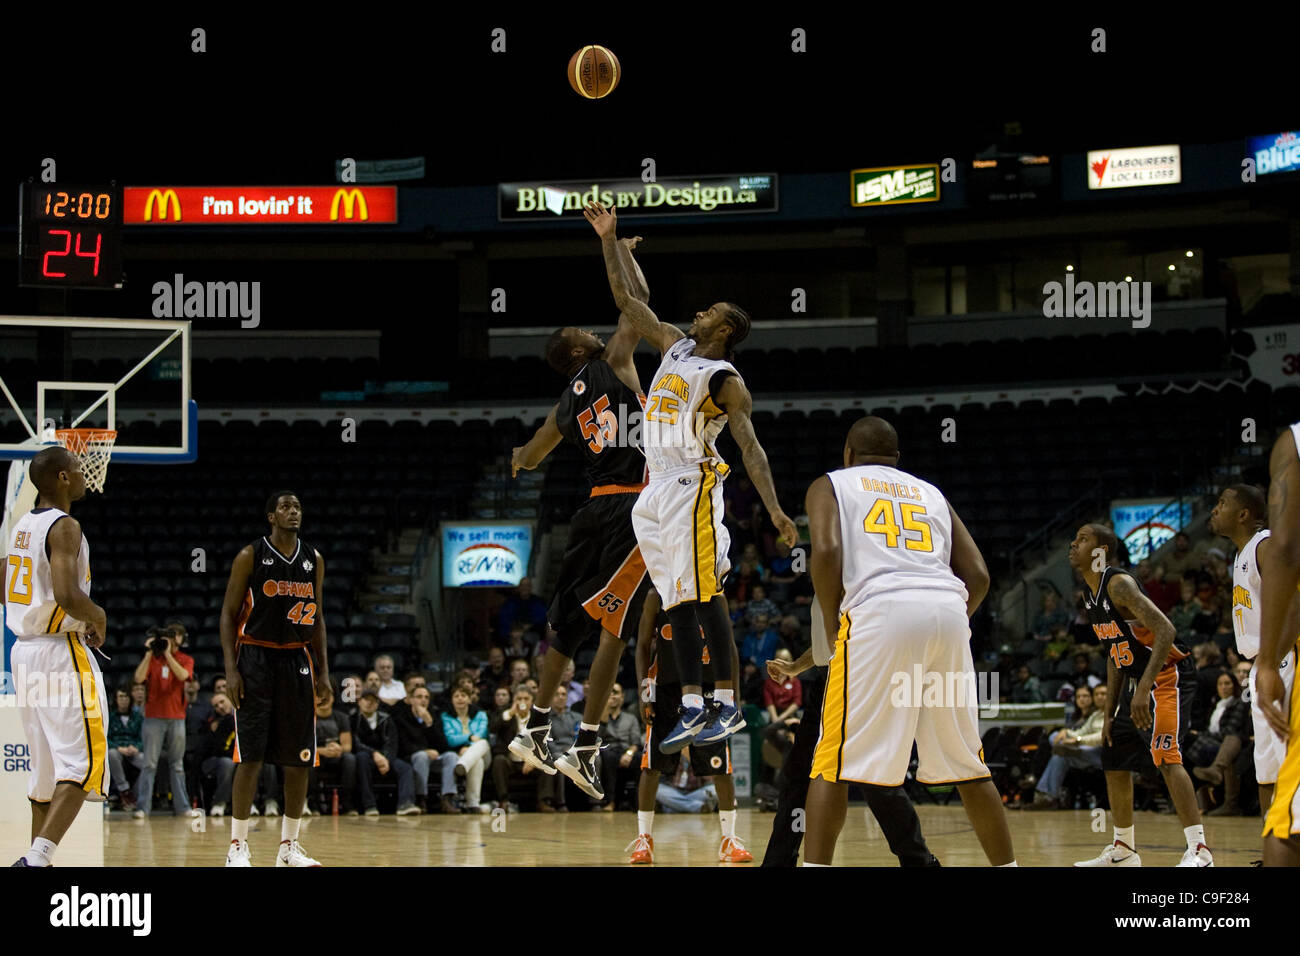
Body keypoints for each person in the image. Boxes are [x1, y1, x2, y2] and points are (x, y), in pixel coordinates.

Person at [586, 199, 797, 754]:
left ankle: (725, 705)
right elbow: (628, 303)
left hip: (692, 482)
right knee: (676, 597)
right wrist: (609, 237)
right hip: (653, 486)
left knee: (705, 594)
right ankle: (693, 705)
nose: (699, 312)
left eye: (709, 311)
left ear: (725, 328)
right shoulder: (676, 345)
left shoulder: (725, 379)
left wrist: (774, 509)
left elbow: (751, 446)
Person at [800, 417, 1014, 867]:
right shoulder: (930, 492)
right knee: (969, 764)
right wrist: (947, 621)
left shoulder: (831, 484)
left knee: (832, 762)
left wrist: (832, 616)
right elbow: (978, 574)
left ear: (848, 454)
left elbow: (824, 550)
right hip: (948, 614)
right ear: (897, 458)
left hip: (880, 615)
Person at [506, 234, 654, 804]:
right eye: (583, 335)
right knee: (614, 624)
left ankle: (539, 727)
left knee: (567, 622)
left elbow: (533, 453)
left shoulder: (565, 403)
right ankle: (587, 746)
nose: (594, 333)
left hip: (590, 511)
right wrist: (614, 247)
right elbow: (636, 303)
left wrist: (516, 458)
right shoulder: (614, 360)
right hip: (631, 506)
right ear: (576, 352)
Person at [1069, 523, 1211, 867]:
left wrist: (1144, 687)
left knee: (1167, 756)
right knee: (1113, 751)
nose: (1074, 544)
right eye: (1074, 539)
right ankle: (1124, 849)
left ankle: (1199, 850)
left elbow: (1166, 629)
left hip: (1168, 676)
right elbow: (1115, 652)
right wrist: (1108, 713)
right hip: (1140, 678)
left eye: (1083, 539)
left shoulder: (1118, 584)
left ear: (1101, 551)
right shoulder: (1090, 594)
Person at [4, 446, 111, 867]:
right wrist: (97, 615)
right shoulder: (64, 526)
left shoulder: (21, 527)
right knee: (84, 766)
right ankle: (35, 860)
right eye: (78, 470)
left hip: (23, 653)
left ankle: (37, 860)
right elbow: (68, 596)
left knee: (45, 771)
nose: (85, 476)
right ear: (63, 478)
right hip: (59, 652)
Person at [219, 491, 329, 867]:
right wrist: (231, 670)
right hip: (255, 658)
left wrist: (324, 671)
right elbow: (228, 615)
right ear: (271, 516)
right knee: (250, 758)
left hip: (296, 660)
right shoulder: (250, 555)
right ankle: (238, 846)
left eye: (297, 506)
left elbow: (317, 618)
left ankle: (289, 848)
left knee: (300, 759)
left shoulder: (314, 559)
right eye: (285, 507)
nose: (293, 512)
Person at [629, 590, 752, 863]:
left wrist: (734, 698)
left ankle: (728, 839)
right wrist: (644, 693)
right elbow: (641, 647)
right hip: (666, 689)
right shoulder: (656, 594)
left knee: (721, 767)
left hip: (710, 688)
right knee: (652, 765)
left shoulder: (716, 595)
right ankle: (644, 839)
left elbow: (729, 648)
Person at [1209, 482, 1296, 819]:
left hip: (1285, 659)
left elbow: (1296, 605)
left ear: (1244, 514)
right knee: (1267, 765)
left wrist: (1273, 662)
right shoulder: (1242, 553)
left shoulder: (1266, 546)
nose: (1214, 510)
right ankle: (1273, 851)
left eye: (1221, 503)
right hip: (1265, 663)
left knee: (1290, 760)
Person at [132, 622, 196, 818]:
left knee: (177, 764)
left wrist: (168, 654)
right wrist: (150, 652)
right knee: (149, 764)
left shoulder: (185, 659)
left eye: (174, 635)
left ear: (181, 639)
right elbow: (138, 678)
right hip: (153, 717)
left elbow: (184, 675)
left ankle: (183, 807)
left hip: (176, 716)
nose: (170, 639)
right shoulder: (153, 659)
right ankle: (143, 808)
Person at [1024, 684, 1108, 809]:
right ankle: (1047, 797)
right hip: (1083, 751)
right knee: (1058, 750)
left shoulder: (1112, 713)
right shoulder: (1095, 715)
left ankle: (1045, 792)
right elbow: (1081, 731)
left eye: (1103, 694)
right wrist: (1066, 733)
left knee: (1061, 750)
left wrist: (1078, 741)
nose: (1100, 697)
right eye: (1097, 694)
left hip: (1101, 753)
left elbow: (1101, 737)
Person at [1187, 671, 1251, 815]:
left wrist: (1202, 734)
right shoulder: (1215, 704)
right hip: (1214, 741)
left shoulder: (1238, 703)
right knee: (1185, 744)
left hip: (1232, 741)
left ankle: (1229, 801)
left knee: (1230, 746)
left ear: (1234, 685)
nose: (1223, 687)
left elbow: (1230, 730)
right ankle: (1197, 802)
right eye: (1220, 684)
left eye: (1227, 683)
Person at [391, 684, 456, 813]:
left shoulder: (433, 716)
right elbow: (403, 746)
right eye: (419, 697)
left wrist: (429, 724)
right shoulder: (401, 718)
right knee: (421, 756)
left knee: (451, 756)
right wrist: (424, 751)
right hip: (412, 758)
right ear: (410, 700)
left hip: (433, 758)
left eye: (426, 697)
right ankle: (421, 798)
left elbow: (443, 745)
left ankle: (447, 798)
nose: (423, 700)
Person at [352, 689, 418, 815]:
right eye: (366, 700)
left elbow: (392, 743)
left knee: (406, 768)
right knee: (361, 758)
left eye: (373, 701)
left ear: (377, 704)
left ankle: (406, 804)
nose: (369, 703)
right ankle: (369, 805)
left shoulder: (386, 719)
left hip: (386, 758)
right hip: (366, 757)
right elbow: (356, 744)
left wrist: (385, 759)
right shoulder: (353, 719)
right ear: (359, 702)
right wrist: (374, 754)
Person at [490, 684, 550, 812]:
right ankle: (503, 801)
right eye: (519, 699)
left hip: (531, 761)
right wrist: (510, 713)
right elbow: (493, 728)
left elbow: (544, 742)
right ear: (514, 700)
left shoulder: (539, 717)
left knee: (546, 762)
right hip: (510, 760)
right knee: (499, 760)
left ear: (532, 701)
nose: (522, 702)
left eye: (526, 699)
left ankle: (543, 801)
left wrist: (532, 759)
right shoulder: (505, 714)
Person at [441, 686, 492, 813]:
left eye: (463, 696)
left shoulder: (481, 715)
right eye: (456, 696)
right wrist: (469, 737)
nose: (460, 699)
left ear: (469, 699)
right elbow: (450, 739)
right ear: (452, 700)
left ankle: (463, 764)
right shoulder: (446, 717)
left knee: (483, 743)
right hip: (463, 754)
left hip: (483, 752)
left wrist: (467, 747)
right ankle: (473, 804)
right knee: (477, 761)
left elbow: (480, 735)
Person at [310, 686, 357, 815]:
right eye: (321, 696)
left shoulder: (341, 717)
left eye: (328, 696)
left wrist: (339, 748)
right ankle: (313, 804)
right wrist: (321, 750)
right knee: (308, 759)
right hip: (317, 755)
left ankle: (347, 803)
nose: (324, 699)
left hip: (335, 755)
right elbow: (303, 746)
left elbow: (347, 746)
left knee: (350, 758)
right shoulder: (307, 717)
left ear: (333, 699)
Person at [596, 682, 641, 811]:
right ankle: (610, 802)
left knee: (640, 758)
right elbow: (598, 738)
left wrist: (629, 754)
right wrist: (605, 711)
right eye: (610, 693)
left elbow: (636, 742)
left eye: (616, 693)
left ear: (622, 697)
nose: (613, 696)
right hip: (608, 750)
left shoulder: (631, 718)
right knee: (609, 756)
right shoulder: (600, 717)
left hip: (626, 751)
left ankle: (638, 803)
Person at [106, 687, 144, 811]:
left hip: (133, 750)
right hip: (118, 749)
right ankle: (124, 790)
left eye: (126, 697)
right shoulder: (110, 717)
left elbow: (142, 738)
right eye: (121, 697)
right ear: (116, 699)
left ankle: (134, 795)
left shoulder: (138, 717)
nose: (124, 700)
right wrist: (119, 748)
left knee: (148, 764)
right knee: (111, 754)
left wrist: (137, 747)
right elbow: (106, 738)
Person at [496, 577, 550, 643]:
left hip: (531, 633)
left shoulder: (538, 602)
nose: (524, 588)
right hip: (512, 632)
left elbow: (542, 620)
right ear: (519, 587)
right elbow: (503, 619)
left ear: (531, 587)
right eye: (522, 585)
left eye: (527, 585)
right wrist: (511, 632)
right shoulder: (510, 602)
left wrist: (527, 628)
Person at [762, 649, 802, 725]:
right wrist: (775, 719)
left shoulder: (795, 681)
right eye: (780, 659)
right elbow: (769, 702)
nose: (783, 663)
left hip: (790, 716)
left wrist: (781, 718)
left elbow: (797, 702)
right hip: (774, 717)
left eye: (786, 660)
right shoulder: (769, 682)